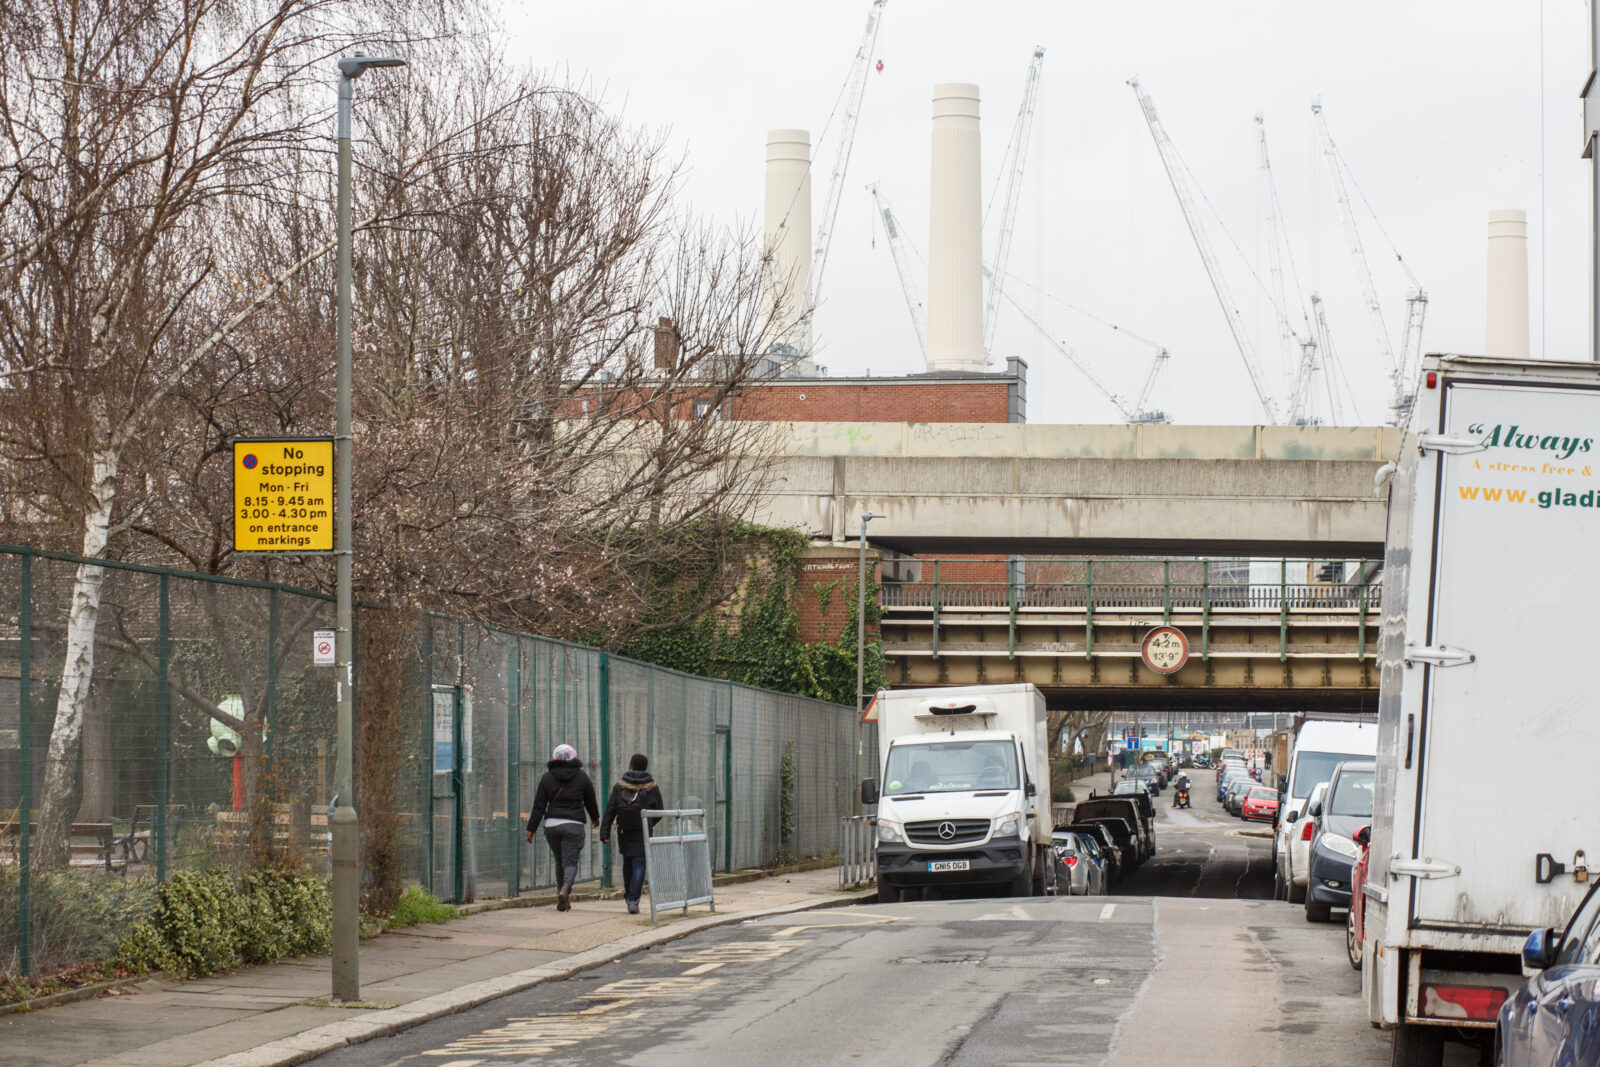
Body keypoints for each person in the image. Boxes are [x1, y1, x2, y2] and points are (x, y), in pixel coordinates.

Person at [526, 743, 600, 912]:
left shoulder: (546, 778)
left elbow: (539, 806)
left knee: (560, 861)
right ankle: (566, 888)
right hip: (574, 825)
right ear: (573, 757)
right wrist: (595, 818)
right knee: (571, 862)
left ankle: (562, 899)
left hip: (552, 826)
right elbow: (590, 800)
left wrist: (531, 829)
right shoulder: (582, 777)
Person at [599, 753, 665, 914]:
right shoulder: (651, 786)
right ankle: (634, 900)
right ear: (645, 767)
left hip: (624, 831)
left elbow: (610, 810)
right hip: (643, 832)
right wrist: (647, 823)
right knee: (640, 864)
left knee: (628, 863)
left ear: (631, 765)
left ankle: (629, 896)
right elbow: (660, 811)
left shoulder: (620, 786)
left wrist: (604, 831)